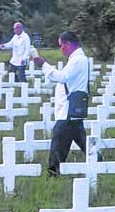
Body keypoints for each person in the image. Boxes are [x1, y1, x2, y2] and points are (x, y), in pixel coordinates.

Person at [33, 31, 91, 176]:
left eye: (61, 45)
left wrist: (43, 65)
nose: (61, 49)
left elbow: (62, 77)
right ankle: (100, 163)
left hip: (68, 111)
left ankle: (53, 174)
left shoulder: (78, 60)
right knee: (82, 142)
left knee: (58, 142)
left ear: (68, 44)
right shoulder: (77, 59)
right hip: (71, 110)